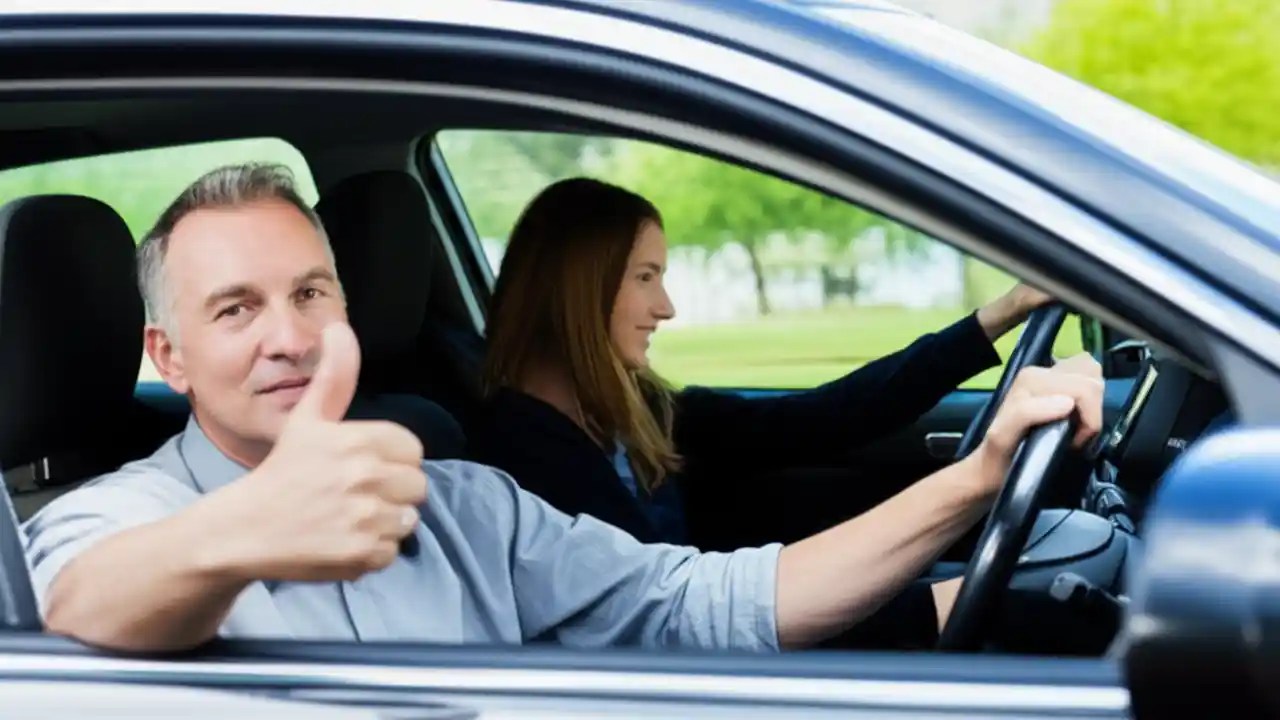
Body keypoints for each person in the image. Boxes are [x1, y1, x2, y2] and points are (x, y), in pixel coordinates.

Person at [22, 163, 1101, 654]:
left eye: (311, 294)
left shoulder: (462, 502)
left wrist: (970, 482)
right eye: (236, 308)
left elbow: (704, 604)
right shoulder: (116, 514)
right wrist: (245, 529)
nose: (290, 335)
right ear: (166, 352)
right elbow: (83, 606)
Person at [467, 177, 1061, 647]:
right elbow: (662, 622)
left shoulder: (641, 414)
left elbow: (824, 419)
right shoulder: (520, 467)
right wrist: (926, 609)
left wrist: (997, 317)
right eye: (645, 277)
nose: (665, 307)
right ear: (579, 288)